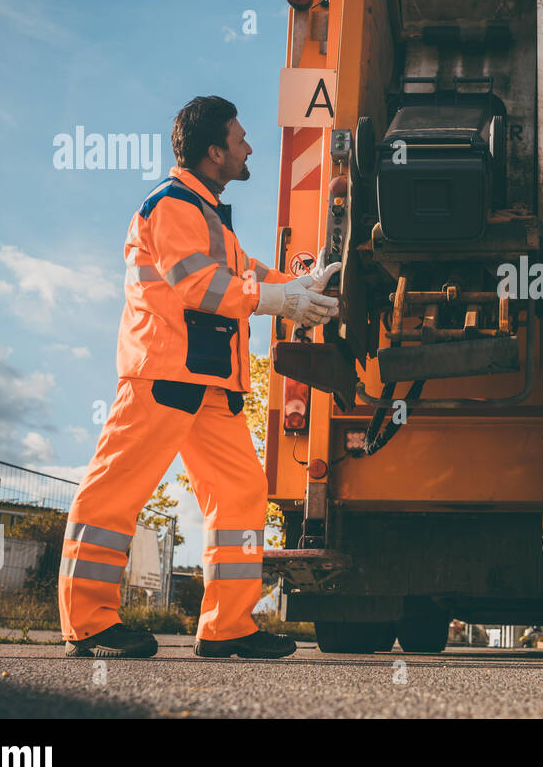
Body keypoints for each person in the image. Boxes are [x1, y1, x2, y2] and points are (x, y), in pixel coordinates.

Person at [58, 95, 340, 659]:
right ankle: (88, 624)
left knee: (241, 494)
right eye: (239, 140)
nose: (249, 147)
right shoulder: (171, 206)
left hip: (208, 385)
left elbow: (244, 272)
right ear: (215, 152)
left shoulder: (207, 215)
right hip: (161, 377)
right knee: (114, 494)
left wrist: (301, 286)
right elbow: (198, 286)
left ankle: (227, 626)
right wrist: (276, 299)